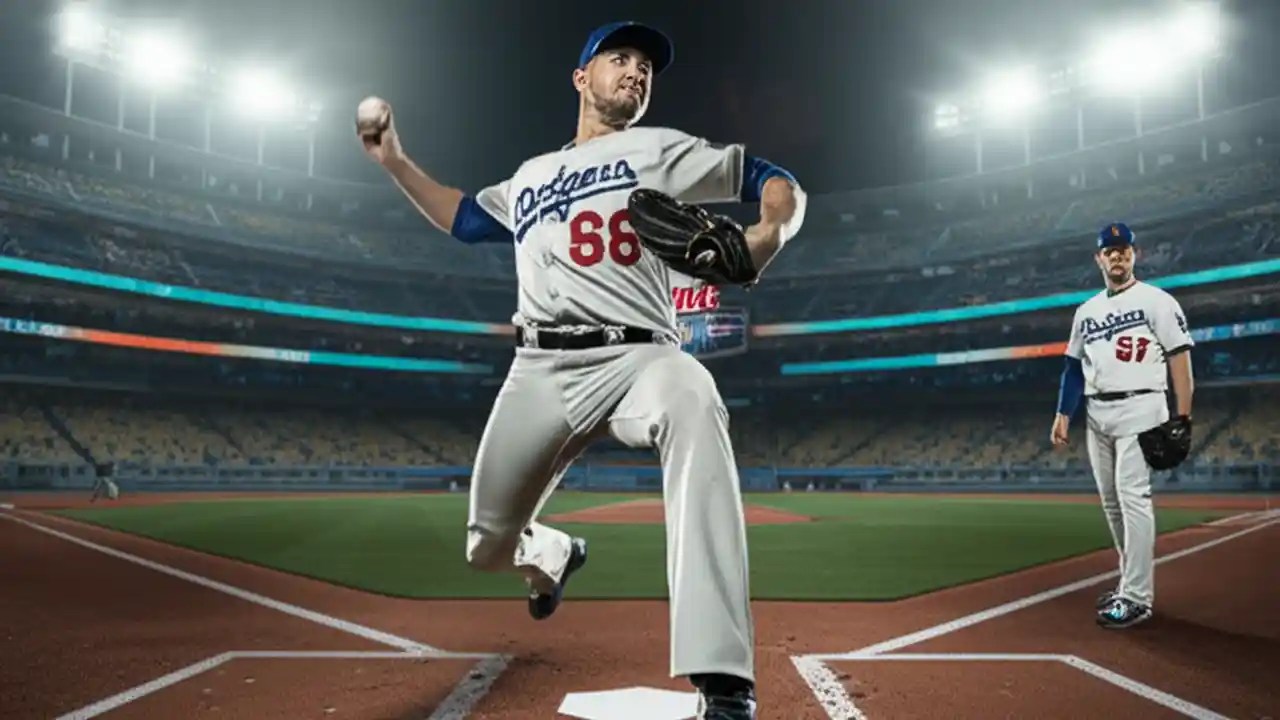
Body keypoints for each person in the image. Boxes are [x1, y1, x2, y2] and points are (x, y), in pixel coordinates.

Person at [358, 21, 804, 719]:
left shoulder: (662, 148)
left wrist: (766, 233)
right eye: (618, 58)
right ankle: (555, 552)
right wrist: (394, 161)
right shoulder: (532, 175)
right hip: (538, 368)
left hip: (641, 357)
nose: (636, 71)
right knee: (486, 545)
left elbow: (777, 183)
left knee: (693, 396)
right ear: (580, 78)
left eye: (646, 65)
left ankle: (724, 681)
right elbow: (465, 218)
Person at [1051, 222, 1194, 629]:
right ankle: (1128, 583)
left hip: (1143, 407)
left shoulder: (1157, 301)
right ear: (1099, 258)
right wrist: (1064, 413)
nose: (1117, 255)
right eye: (1109, 250)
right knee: (1112, 503)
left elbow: (1180, 358)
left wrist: (1183, 415)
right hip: (1097, 414)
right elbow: (1073, 367)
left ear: (1135, 255)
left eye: (1124, 249)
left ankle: (1137, 597)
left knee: (1133, 499)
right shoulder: (1086, 311)